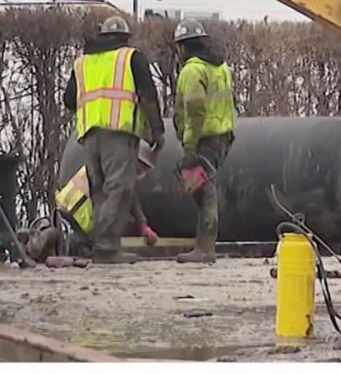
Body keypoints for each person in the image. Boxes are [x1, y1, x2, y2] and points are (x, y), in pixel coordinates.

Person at [63, 15, 164, 264]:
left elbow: (68, 100)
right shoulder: (130, 57)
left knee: (99, 190)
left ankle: (102, 245)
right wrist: (157, 130)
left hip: (88, 135)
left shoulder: (83, 62)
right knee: (119, 188)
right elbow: (148, 95)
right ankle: (107, 247)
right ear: (126, 38)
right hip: (118, 133)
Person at [171, 19, 236, 263]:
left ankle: (206, 248)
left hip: (204, 139)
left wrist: (189, 147)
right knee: (201, 189)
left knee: (205, 192)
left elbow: (195, 109)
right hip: (223, 136)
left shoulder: (192, 70)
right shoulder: (220, 67)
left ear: (183, 47)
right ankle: (203, 245)